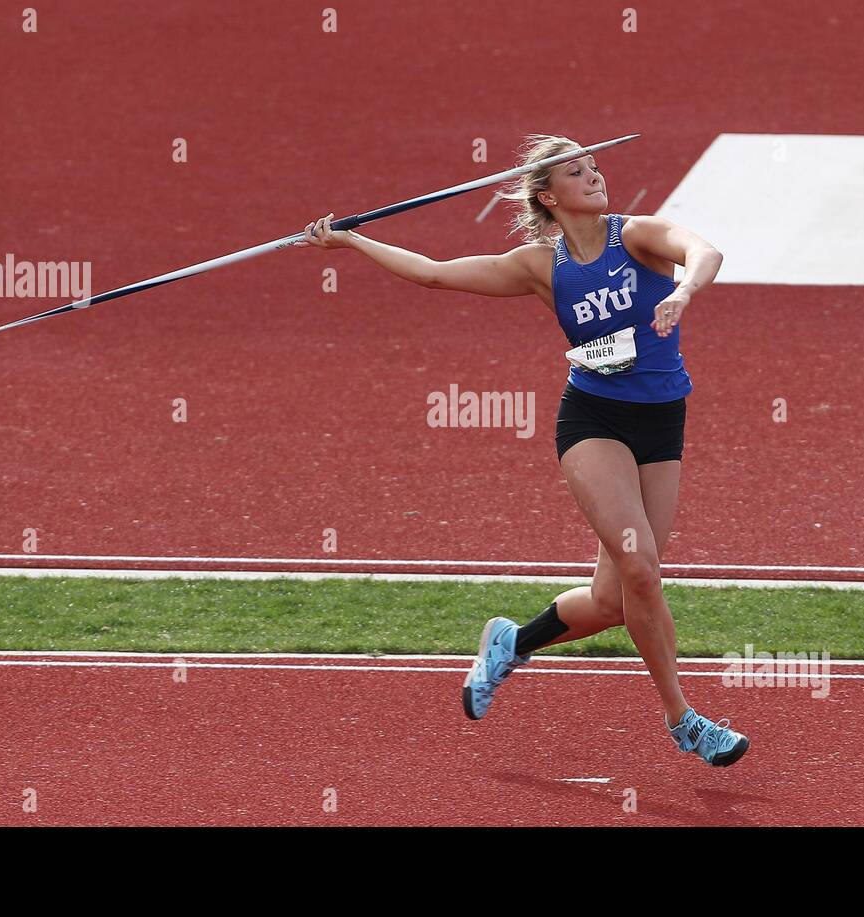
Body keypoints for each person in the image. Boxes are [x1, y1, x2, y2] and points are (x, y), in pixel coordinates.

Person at [301, 133, 748, 767]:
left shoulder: (639, 236)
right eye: (577, 172)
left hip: (662, 422)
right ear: (548, 195)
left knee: (615, 601)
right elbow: (434, 273)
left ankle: (512, 642)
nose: (594, 177)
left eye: (594, 167)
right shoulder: (541, 267)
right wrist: (349, 241)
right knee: (642, 568)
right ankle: (684, 721)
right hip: (593, 420)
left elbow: (705, 249)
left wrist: (682, 291)